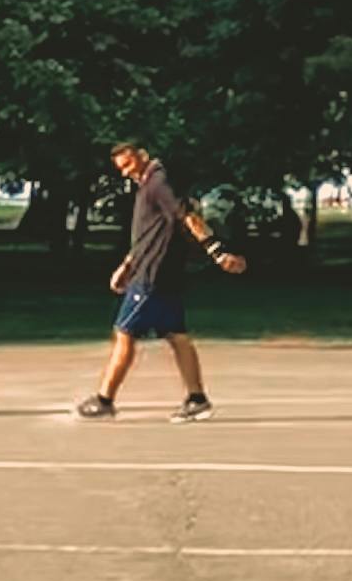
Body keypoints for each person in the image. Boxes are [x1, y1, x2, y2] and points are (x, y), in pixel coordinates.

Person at [76, 139, 246, 419]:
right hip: (159, 275)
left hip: (152, 277)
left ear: (142, 155)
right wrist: (127, 265)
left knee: (124, 334)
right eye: (120, 168)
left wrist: (217, 252)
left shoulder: (157, 183)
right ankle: (197, 399)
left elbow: (186, 216)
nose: (125, 172)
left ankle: (104, 400)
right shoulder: (148, 185)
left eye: (128, 164)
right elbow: (150, 235)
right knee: (177, 337)